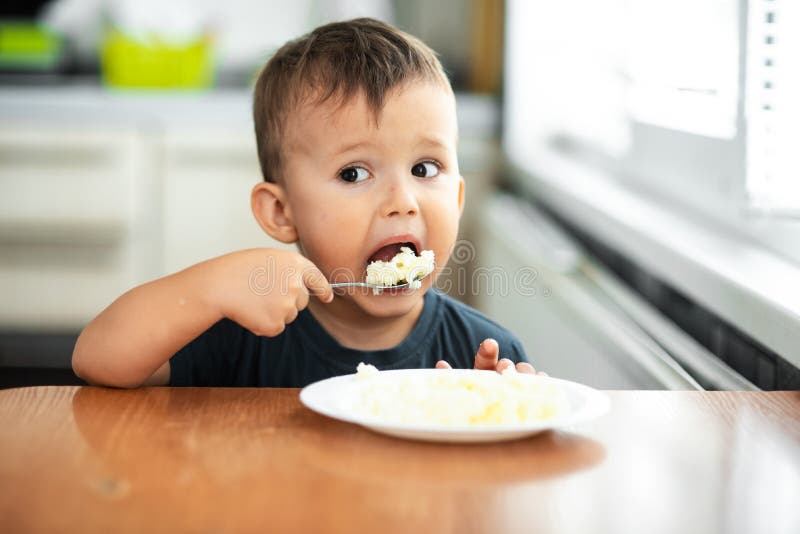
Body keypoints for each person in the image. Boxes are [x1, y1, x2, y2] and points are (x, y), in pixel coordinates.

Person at [72, 18, 536, 388]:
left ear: (457, 199)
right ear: (281, 212)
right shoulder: (248, 333)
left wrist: (499, 409)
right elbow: (96, 359)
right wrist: (211, 287)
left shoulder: (484, 354)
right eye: (354, 173)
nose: (402, 202)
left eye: (425, 169)